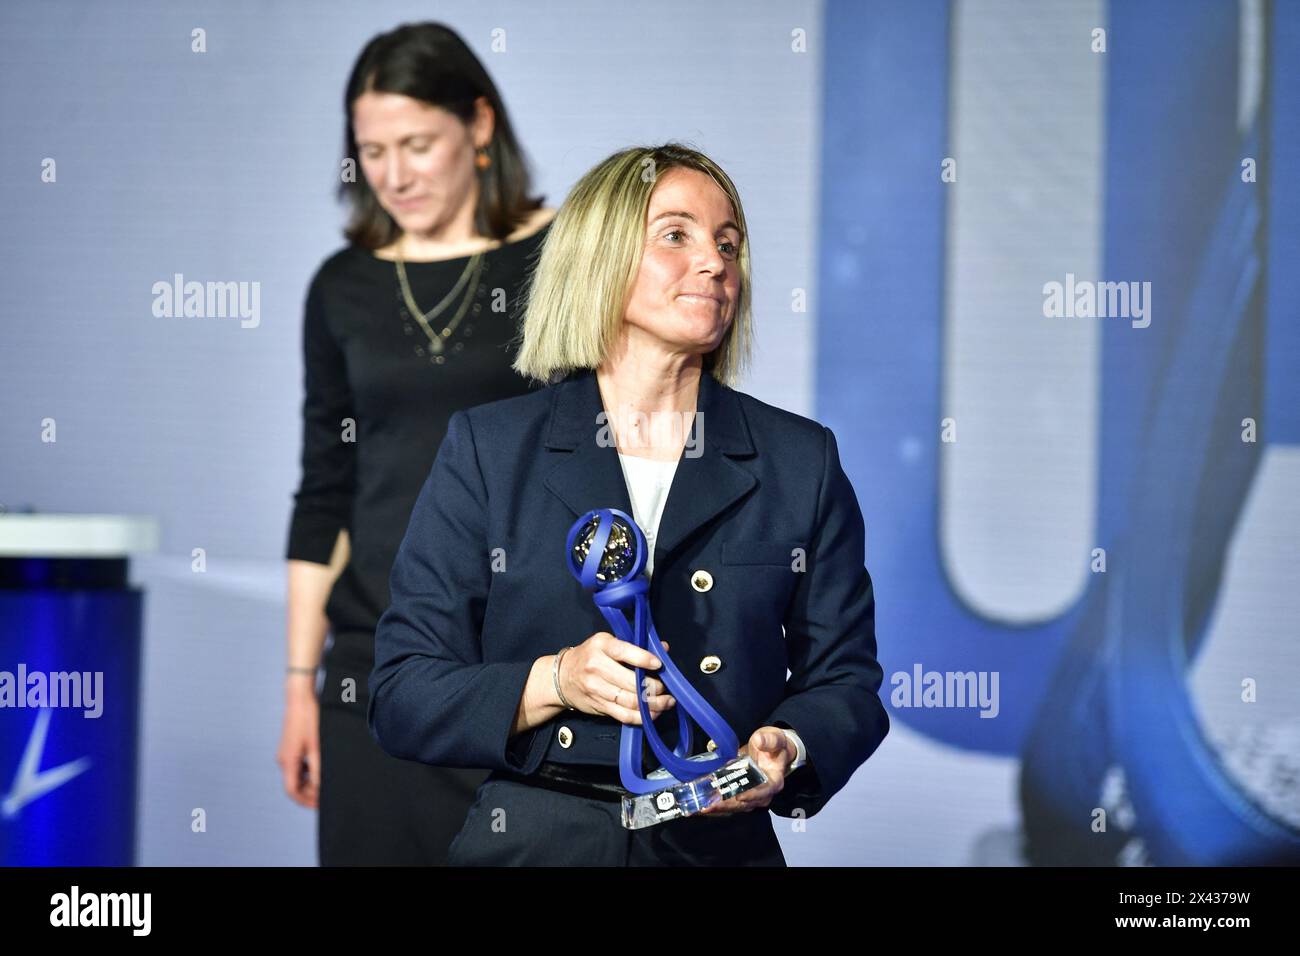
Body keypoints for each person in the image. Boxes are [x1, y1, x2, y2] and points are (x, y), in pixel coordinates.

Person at [369, 143, 888, 866]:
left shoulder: (801, 460)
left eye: (727, 243)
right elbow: (403, 692)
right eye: (676, 235)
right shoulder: (490, 450)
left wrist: (789, 745)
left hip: (717, 848)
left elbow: (847, 683)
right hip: (534, 844)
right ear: (600, 260)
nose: (714, 262)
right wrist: (556, 680)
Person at [276, 21, 556, 866]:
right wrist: (299, 685)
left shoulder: (563, 257)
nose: (393, 174)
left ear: (478, 126)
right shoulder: (342, 286)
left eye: (416, 144)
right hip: (376, 667)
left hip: (529, 664)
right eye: (372, 150)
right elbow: (325, 490)